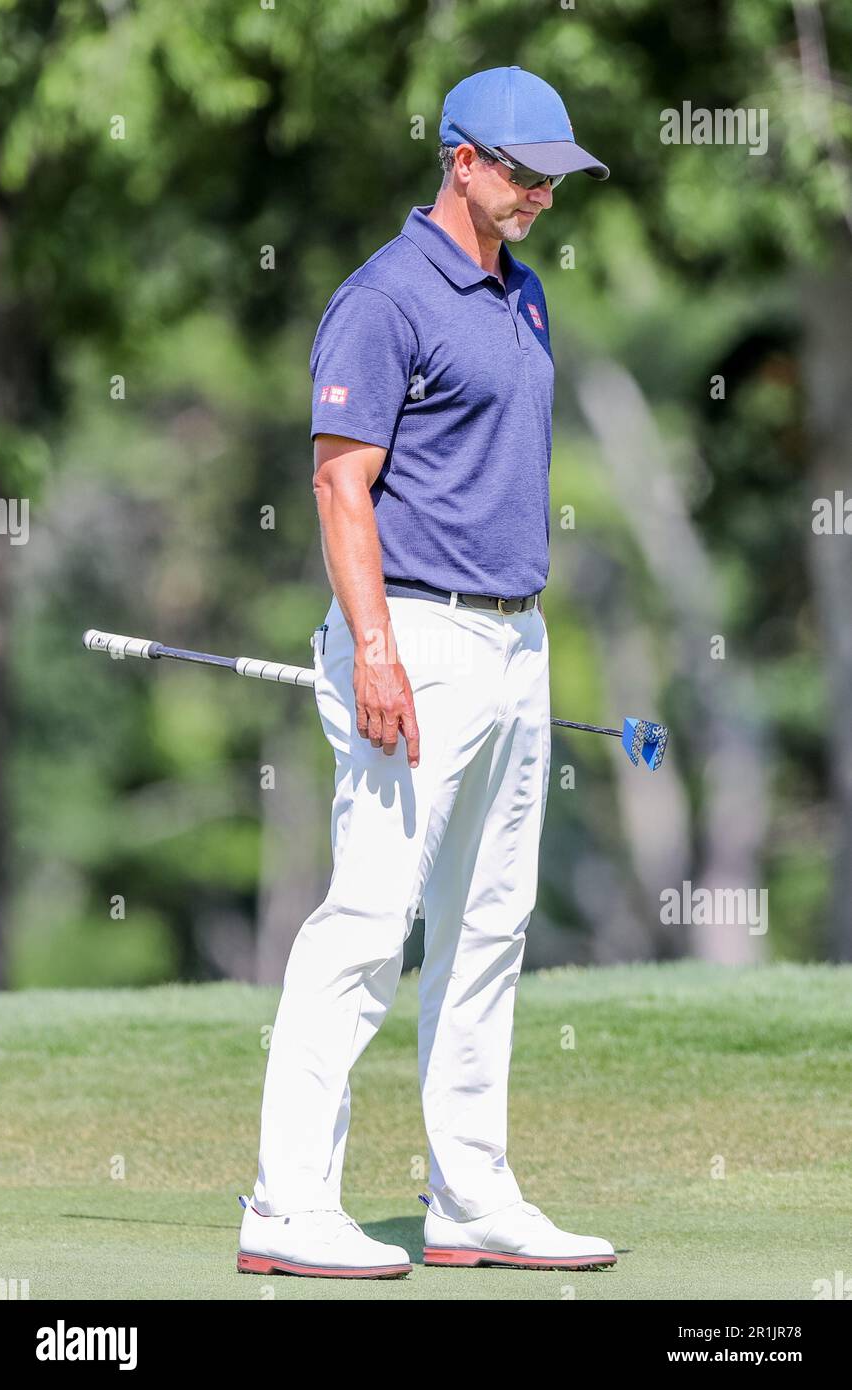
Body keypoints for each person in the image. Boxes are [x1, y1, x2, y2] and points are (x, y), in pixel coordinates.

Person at [238, 66, 615, 1279]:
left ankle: (468, 1195)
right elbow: (340, 484)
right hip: (412, 636)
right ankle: (285, 1204)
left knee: (489, 925)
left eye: (553, 176)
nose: (540, 194)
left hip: (515, 639)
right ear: (459, 158)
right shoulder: (381, 298)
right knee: (367, 919)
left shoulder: (527, 297)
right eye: (521, 172)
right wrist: (380, 655)